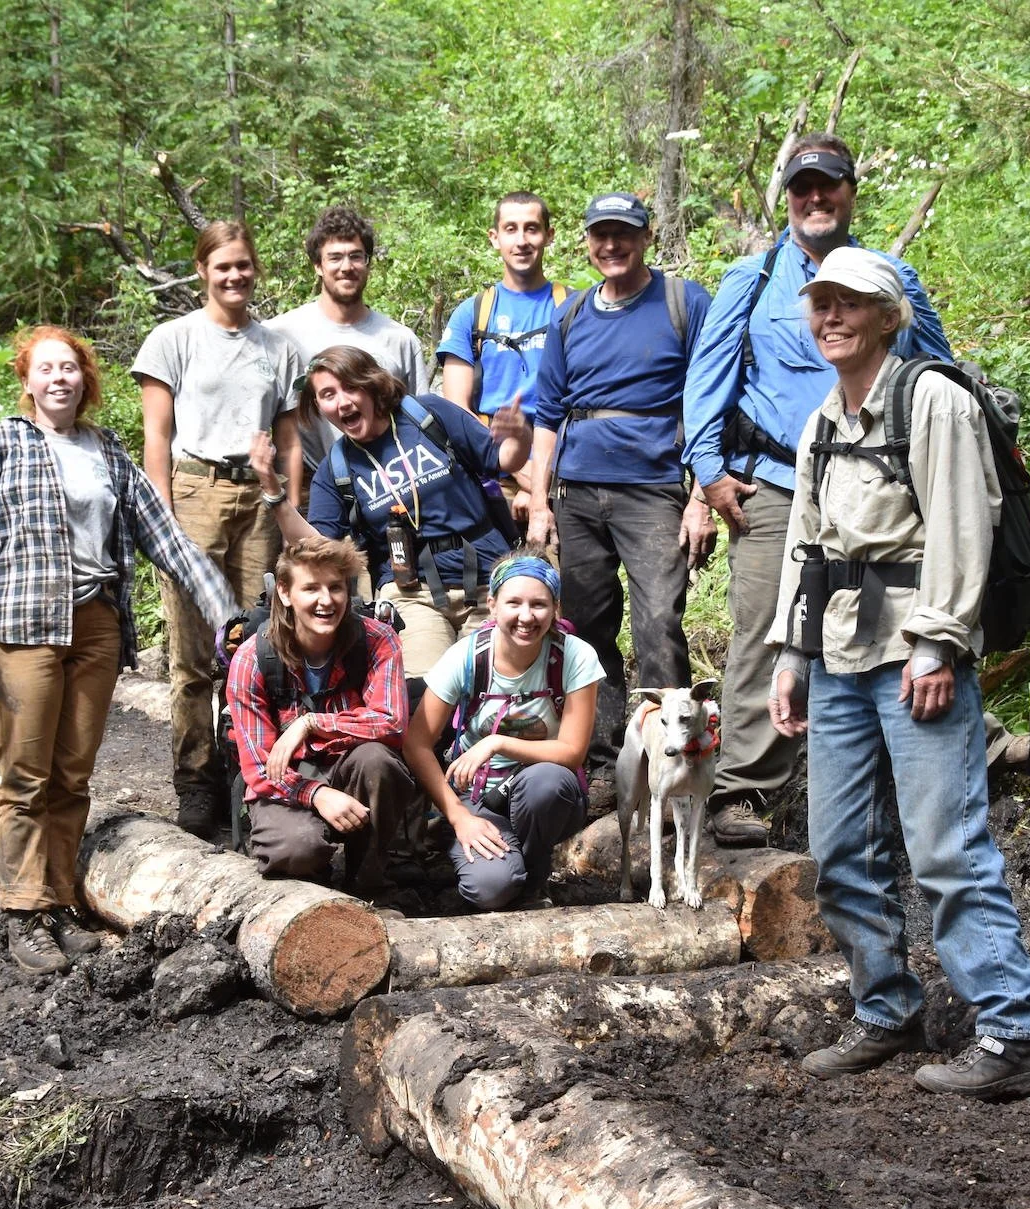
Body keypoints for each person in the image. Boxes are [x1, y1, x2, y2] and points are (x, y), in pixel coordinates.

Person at [769, 248, 1030, 1100]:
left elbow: (965, 522)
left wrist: (938, 640)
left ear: (889, 314)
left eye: (850, 304)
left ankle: (1012, 1030)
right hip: (842, 657)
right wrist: (791, 652)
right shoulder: (823, 418)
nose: (832, 317)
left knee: (944, 846)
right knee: (841, 848)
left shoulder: (931, 399)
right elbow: (804, 545)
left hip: (915, 657)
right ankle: (884, 1008)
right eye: (821, 304)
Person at [0, 326, 237, 976]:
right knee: (27, 773)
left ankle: (61, 900)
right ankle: (22, 911)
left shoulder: (107, 451)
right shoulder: (4, 441)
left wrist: (223, 605)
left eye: (70, 367)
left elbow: (168, 537)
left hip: (96, 624)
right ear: (28, 379)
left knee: (72, 775)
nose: (60, 378)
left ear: (85, 378)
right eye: (47, 369)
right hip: (24, 626)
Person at [683, 135, 954, 849]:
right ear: (788, 197)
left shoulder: (893, 277)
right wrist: (707, 469)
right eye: (802, 186)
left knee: (892, 613)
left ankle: (909, 757)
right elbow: (707, 379)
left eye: (827, 184)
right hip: (773, 480)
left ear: (850, 191)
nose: (814, 198)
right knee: (767, 623)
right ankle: (744, 788)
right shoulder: (754, 275)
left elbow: (938, 371)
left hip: (881, 480)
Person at [523, 191, 712, 803]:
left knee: (659, 620)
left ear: (646, 236)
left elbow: (710, 399)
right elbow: (547, 412)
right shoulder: (572, 315)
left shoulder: (684, 303)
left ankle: (673, 759)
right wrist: (538, 498)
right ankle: (609, 761)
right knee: (588, 628)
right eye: (600, 235)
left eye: (623, 233)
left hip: (655, 489)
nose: (612, 245)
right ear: (586, 242)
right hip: (577, 493)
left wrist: (700, 497)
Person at [131, 219, 306, 838]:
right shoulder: (172, 339)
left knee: (257, 641)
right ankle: (195, 781)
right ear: (203, 270)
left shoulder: (278, 346)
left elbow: (289, 439)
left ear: (256, 269)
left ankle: (248, 772)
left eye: (244, 265)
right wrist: (162, 518)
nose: (235, 276)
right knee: (192, 654)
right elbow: (157, 435)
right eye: (222, 266)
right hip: (194, 488)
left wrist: (285, 502)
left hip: (257, 498)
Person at [251, 345, 530, 676]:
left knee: (494, 684)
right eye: (328, 395)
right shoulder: (336, 468)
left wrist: (520, 435)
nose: (343, 402)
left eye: (351, 387)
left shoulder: (428, 415)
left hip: (487, 576)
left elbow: (502, 460)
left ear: (372, 384)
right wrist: (272, 489)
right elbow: (317, 548)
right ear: (320, 407)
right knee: (421, 691)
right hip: (412, 592)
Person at [404, 548, 601, 911]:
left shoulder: (575, 656)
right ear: (492, 606)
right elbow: (416, 743)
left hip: (546, 796)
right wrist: (458, 816)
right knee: (491, 889)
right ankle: (492, 862)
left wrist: (495, 743)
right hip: (478, 796)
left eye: (539, 605)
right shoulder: (466, 656)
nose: (526, 617)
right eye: (514, 603)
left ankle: (535, 873)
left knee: (548, 783)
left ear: (556, 609)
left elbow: (572, 751)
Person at [225, 535, 414, 895]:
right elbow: (260, 767)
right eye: (311, 588)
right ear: (284, 592)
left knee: (379, 761)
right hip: (287, 782)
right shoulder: (253, 658)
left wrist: (310, 723)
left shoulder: (377, 640)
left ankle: (368, 883)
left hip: (350, 767)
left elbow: (390, 721)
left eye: (336, 588)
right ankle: (315, 886)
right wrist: (316, 795)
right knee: (297, 852)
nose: (326, 601)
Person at [269, 206, 429, 493]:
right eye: (335, 257)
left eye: (356, 256)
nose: (347, 266)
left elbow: (420, 425)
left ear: (368, 263)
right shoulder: (280, 335)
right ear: (318, 265)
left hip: (390, 483)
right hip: (309, 484)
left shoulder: (400, 340)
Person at [436, 191, 572, 520]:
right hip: (492, 475)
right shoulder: (473, 313)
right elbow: (457, 412)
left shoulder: (571, 307)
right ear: (495, 238)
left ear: (548, 236)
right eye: (511, 229)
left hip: (562, 474)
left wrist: (540, 485)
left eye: (532, 228)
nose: (522, 240)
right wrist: (523, 477)